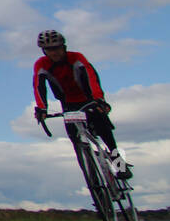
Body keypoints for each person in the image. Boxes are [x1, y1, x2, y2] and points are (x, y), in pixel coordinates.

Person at [32, 29, 131, 179]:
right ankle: (92, 183)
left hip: (88, 100)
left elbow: (92, 77)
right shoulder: (41, 64)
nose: (54, 53)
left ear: (63, 47)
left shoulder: (76, 57)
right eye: (49, 49)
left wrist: (99, 100)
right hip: (68, 104)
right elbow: (39, 86)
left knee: (103, 128)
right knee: (75, 139)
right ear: (44, 51)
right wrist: (41, 108)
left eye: (57, 48)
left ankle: (118, 162)